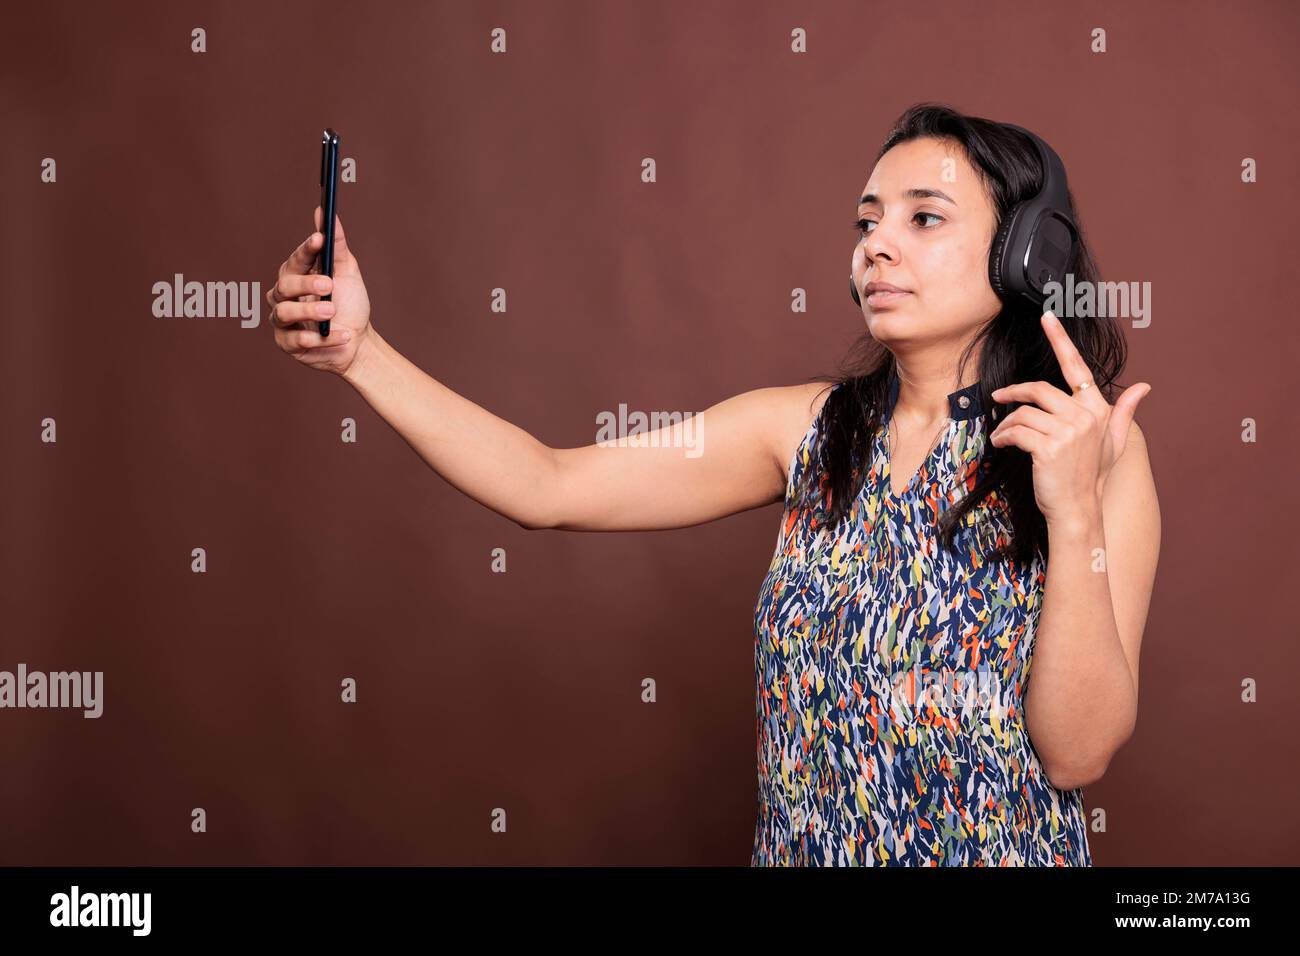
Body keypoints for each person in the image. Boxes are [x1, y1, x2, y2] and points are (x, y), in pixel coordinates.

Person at [265, 102, 1160, 866]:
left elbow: (1076, 755)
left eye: (923, 219)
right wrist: (361, 355)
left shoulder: (1100, 453)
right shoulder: (804, 431)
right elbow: (549, 485)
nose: (876, 246)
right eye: (866, 221)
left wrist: (1073, 508)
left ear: (1026, 254)